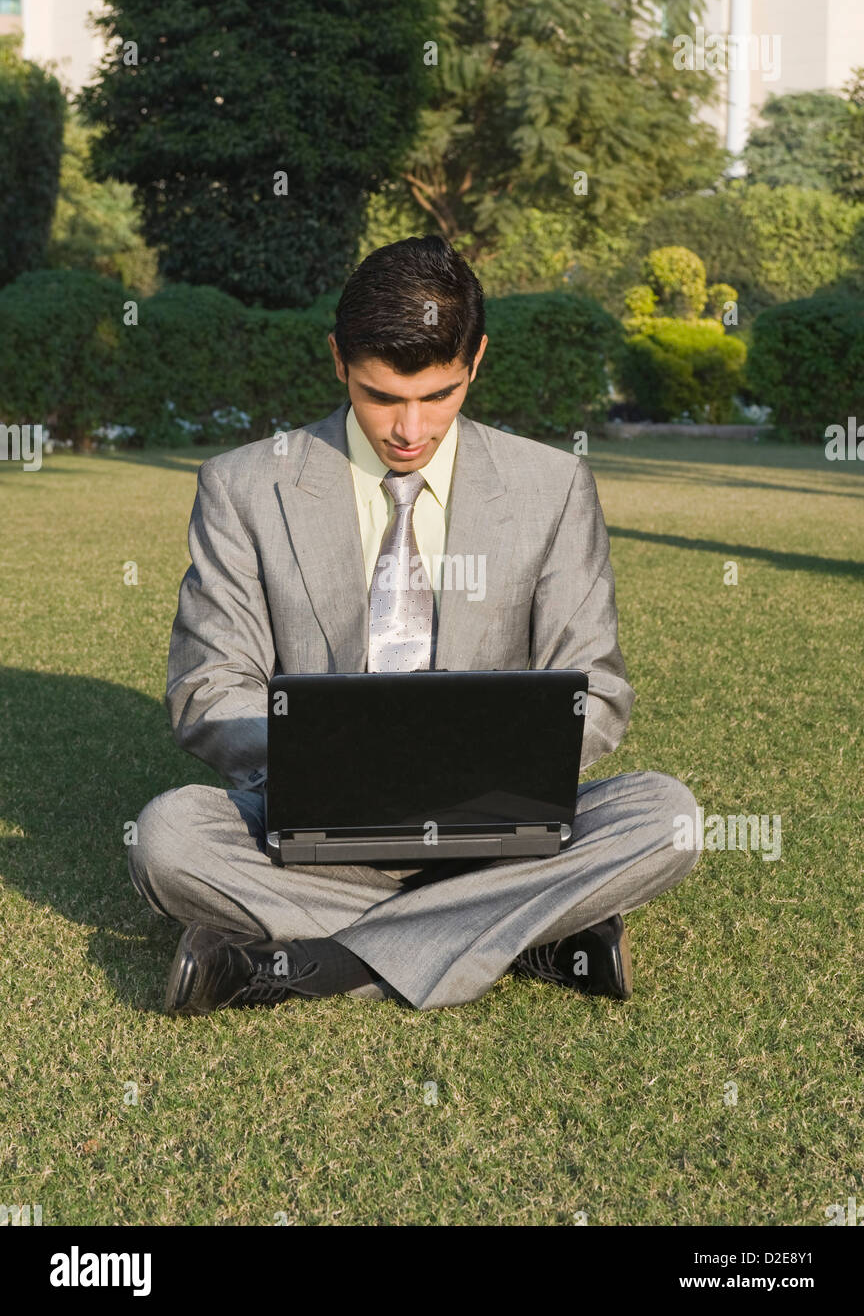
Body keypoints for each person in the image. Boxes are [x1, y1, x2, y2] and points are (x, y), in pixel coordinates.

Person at [129, 235, 700, 1015]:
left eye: (439, 395)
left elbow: (596, 690)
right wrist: (344, 751)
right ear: (338, 360)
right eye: (380, 395)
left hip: (495, 824)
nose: (409, 428)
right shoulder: (244, 487)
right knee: (167, 837)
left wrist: (475, 760)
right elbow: (206, 690)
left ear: (477, 362)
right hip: (313, 828)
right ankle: (533, 936)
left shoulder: (553, 485)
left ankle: (315, 963)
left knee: (666, 818)